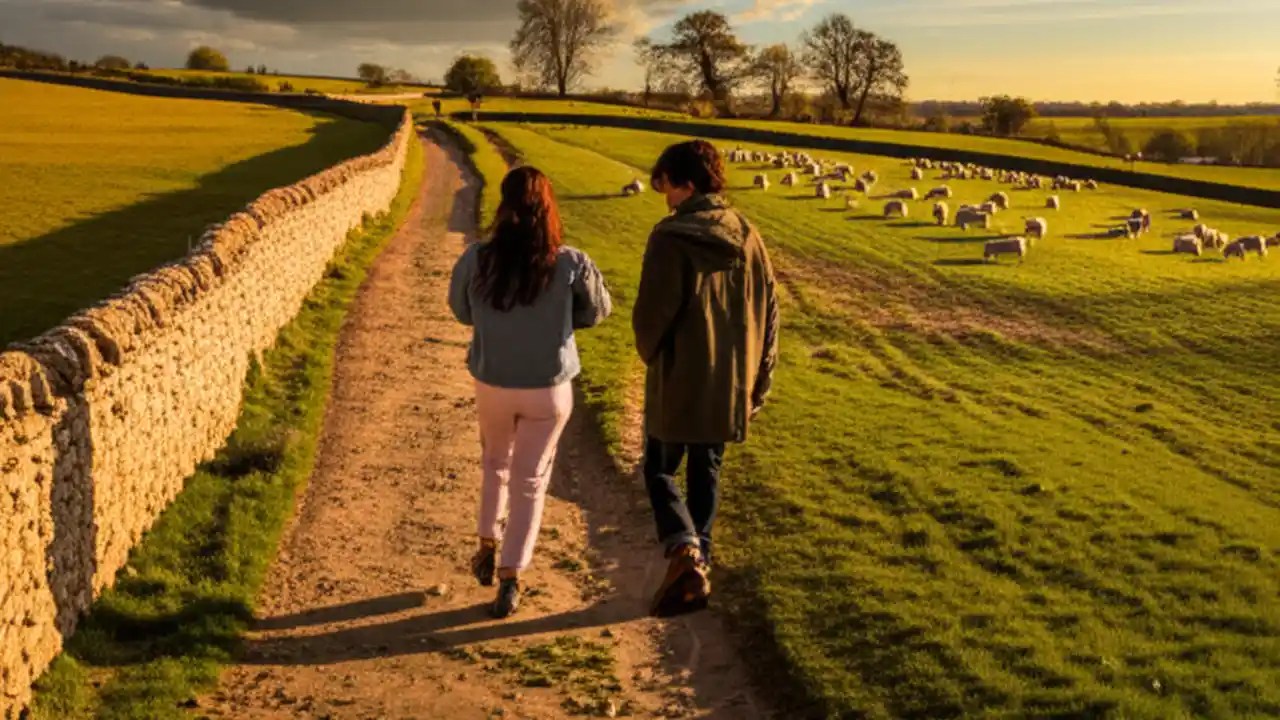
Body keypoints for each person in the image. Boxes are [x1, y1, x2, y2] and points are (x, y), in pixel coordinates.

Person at [448, 166, 612, 618]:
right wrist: (555, 322)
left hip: (493, 380)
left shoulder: (478, 258)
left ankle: (486, 540)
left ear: (504, 205)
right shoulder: (569, 262)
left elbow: (462, 311)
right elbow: (598, 312)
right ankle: (510, 575)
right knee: (530, 481)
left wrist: (498, 324)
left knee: (494, 463)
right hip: (548, 386)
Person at [633, 140, 780, 617]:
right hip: (731, 380)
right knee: (706, 469)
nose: (665, 197)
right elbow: (771, 308)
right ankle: (700, 567)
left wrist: (648, 349)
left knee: (658, 467)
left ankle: (686, 553)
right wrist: (761, 377)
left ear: (687, 184)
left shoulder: (671, 237)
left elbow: (653, 314)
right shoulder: (749, 234)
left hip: (680, 376)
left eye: (667, 186)